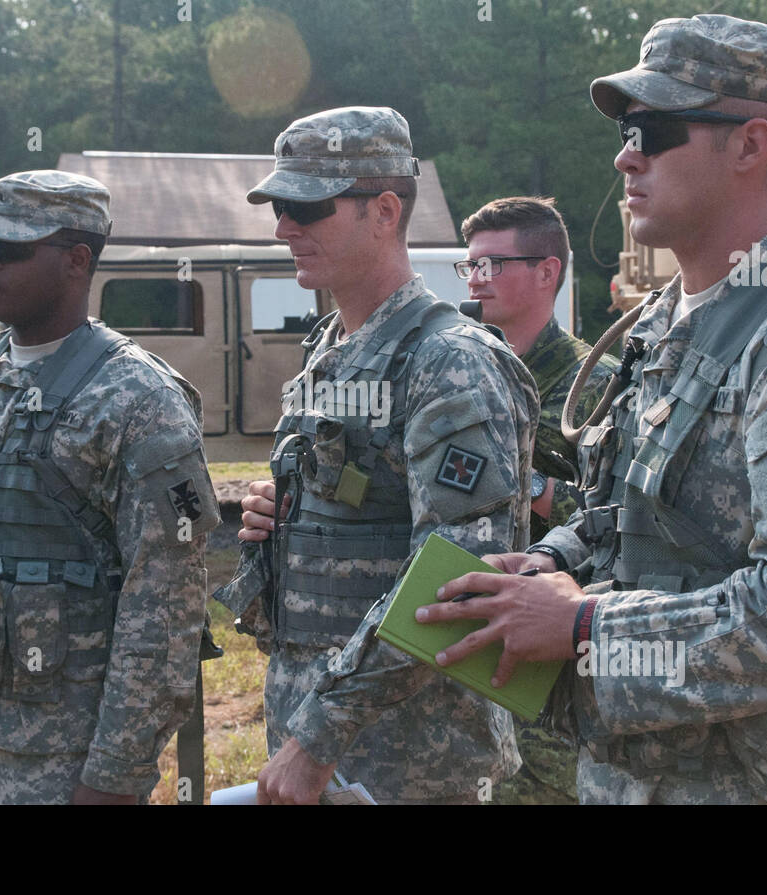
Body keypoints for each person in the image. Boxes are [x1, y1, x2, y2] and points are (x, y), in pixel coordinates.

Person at [417, 14, 767, 804]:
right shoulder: (661, 329)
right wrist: (552, 563)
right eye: (628, 130)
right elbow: (620, 512)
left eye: (655, 128)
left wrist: (587, 629)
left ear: (751, 145)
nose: (627, 154)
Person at [0, 170, 219, 804]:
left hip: (61, 760)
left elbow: (163, 612)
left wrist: (113, 779)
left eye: (12, 249)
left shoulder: (138, 400)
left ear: (77, 260)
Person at [218, 106, 540, 804]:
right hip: (322, 745)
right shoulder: (329, 351)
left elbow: (456, 574)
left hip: (415, 762)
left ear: (385, 210)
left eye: (307, 206)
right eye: (279, 206)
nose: (283, 228)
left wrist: (320, 735)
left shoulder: (447, 364)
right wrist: (286, 516)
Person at [458, 196, 616, 804]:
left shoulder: (592, 383)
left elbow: (617, 515)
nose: (476, 279)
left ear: (547, 272)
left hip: (548, 645)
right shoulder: (464, 371)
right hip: (467, 624)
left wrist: (528, 486)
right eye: (470, 266)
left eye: (493, 264)